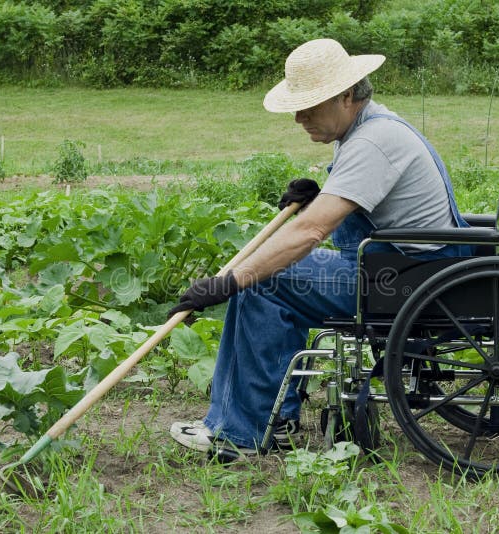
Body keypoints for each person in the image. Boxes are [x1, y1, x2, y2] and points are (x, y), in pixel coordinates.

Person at [168, 38, 469, 460]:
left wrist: (230, 281)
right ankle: (274, 419)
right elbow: (353, 205)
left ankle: (245, 432)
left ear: (346, 96)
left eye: (309, 106)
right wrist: (319, 195)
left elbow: (311, 232)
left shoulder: (371, 142)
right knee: (266, 275)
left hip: (400, 280)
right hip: (394, 267)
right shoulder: (372, 127)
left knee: (261, 282)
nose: (298, 118)